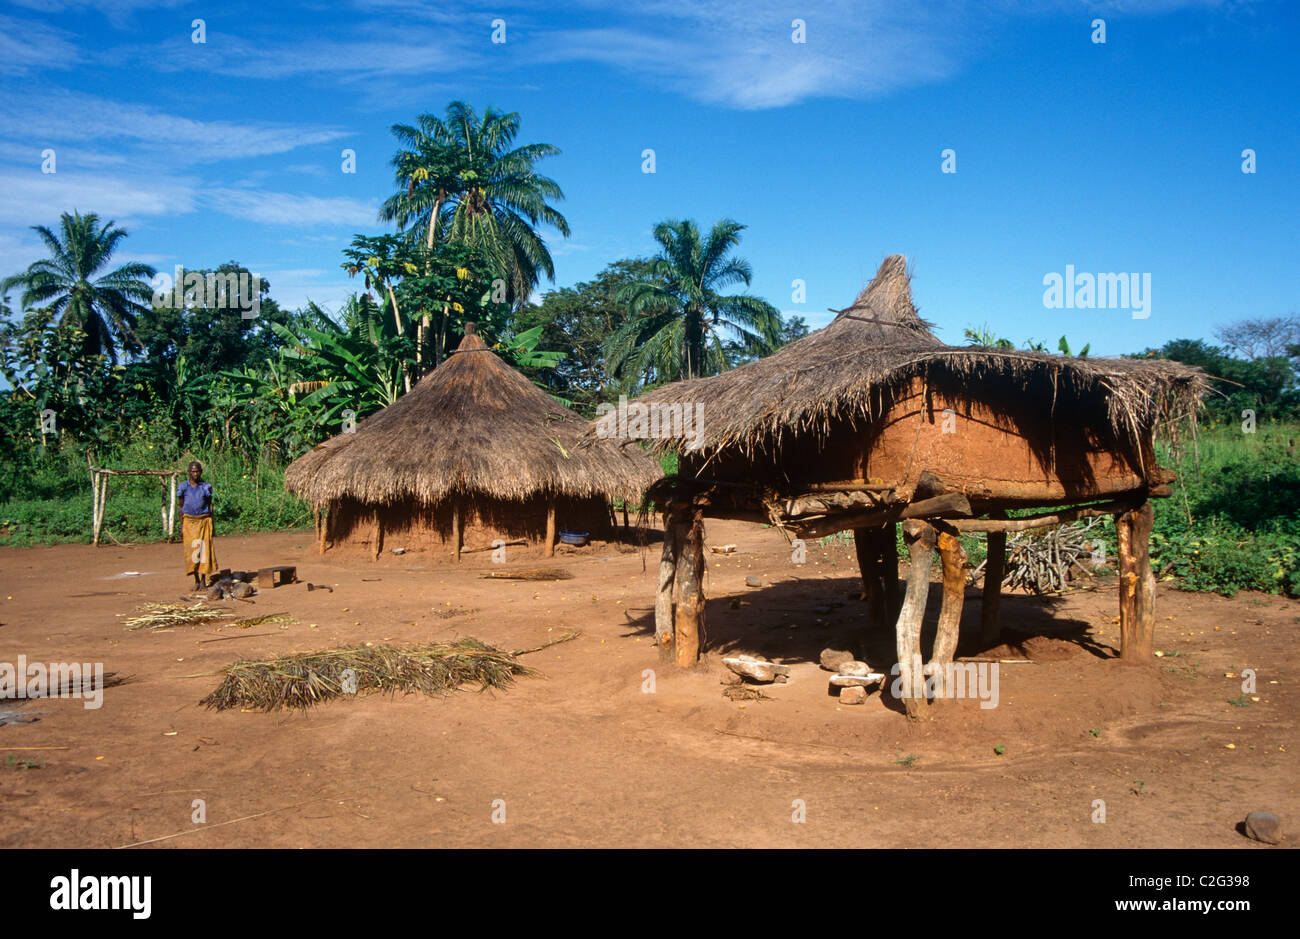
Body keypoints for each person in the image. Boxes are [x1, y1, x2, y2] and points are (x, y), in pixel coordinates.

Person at [178, 461, 217, 589]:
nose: (195, 474)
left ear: (201, 472)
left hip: (203, 521)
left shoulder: (205, 487)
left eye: (198, 471)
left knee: (204, 551)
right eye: (193, 471)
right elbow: (181, 507)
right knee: (192, 552)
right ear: (189, 472)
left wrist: (212, 525)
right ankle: (195, 580)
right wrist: (181, 526)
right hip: (189, 523)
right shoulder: (183, 487)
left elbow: (210, 506)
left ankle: (203, 581)